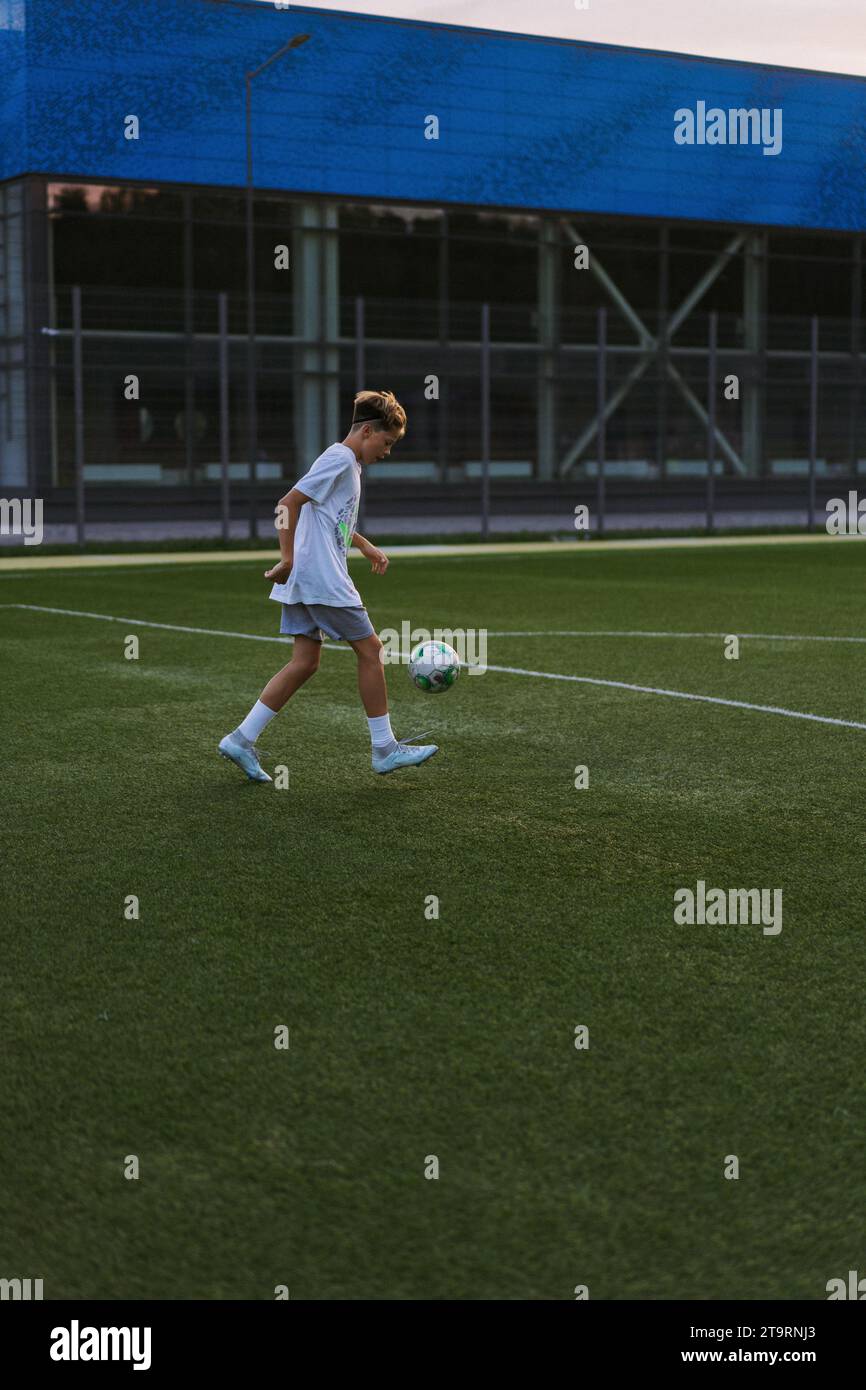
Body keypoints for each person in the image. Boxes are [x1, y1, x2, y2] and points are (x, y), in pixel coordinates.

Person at [218, 389, 438, 781]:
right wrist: (286, 557)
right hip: (320, 577)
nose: (386, 453)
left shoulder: (350, 464)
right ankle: (385, 749)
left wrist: (365, 544)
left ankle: (240, 739)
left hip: (310, 578)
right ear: (368, 431)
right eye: (386, 443)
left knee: (305, 662)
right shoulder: (339, 457)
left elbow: (334, 517)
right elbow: (287, 504)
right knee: (372, 651)